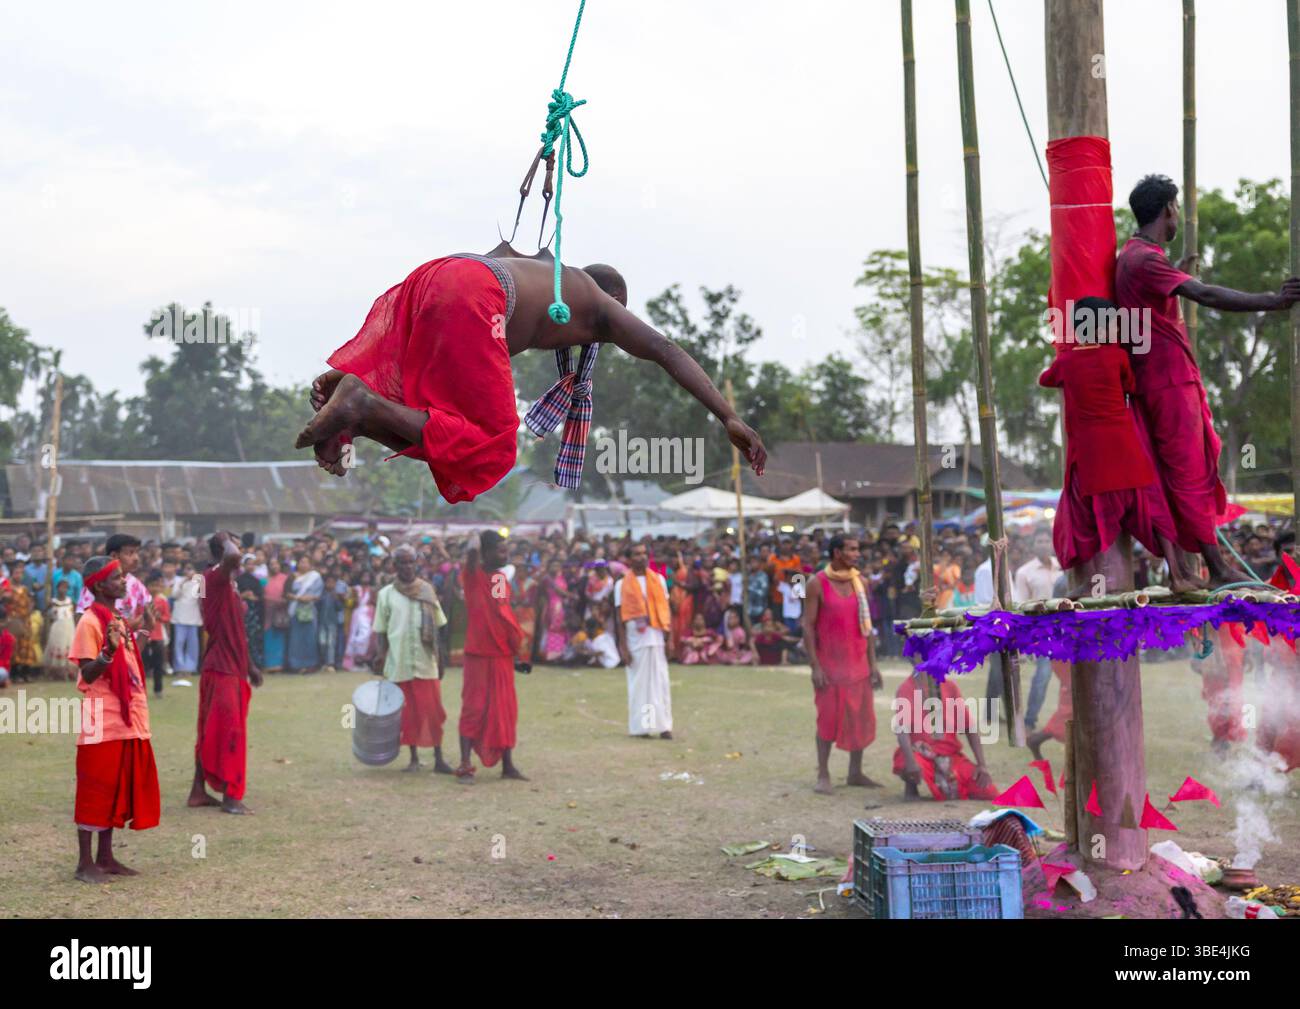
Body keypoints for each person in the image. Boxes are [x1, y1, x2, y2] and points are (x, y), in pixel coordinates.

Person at [299, 254, 767, 505]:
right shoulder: (599, 305)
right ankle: (361, 404)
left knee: (441, 421)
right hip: (478, 293)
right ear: (616, 298)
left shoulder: (546, 269)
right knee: (495, 445)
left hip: (436, 274)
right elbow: (665, 350)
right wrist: (728, 415)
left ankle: (355, 417)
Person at [1115, 174, 1300, 585]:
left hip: (1161, 381)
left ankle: (1187, 568)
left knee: (1184, 472)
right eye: (1176, 208)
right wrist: (1274, 301)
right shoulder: (1144, 259)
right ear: (1168, 211)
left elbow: (1155, 305)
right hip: (1167, 381)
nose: (1177, 216)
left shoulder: (1132, 256)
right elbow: (1208, 295)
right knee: (1190, 473)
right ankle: (1215, 569)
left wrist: (1174, 279)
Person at [1040, 296, 1196, 594]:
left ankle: (1087, 582)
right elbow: (1130, 386)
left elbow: (1046, 379)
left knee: (1081, 516)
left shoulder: (1066, 362)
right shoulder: (1118, 357)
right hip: (1125, 445)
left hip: (1091, 453)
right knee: (1154, 509)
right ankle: (1178, 573)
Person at [69, 556, 161, 882]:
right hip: (101, 717)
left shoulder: (116, 617)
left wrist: (145, 627)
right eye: (118, 578)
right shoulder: (90, 622)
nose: (124, 582)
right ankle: (84, 864)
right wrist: (106, 653)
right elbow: (88, 672)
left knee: (116, 787)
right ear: (99, 585)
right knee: (96, 787)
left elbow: (130, 656)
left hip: (127, 716)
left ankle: (105, 858)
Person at [189, 532, 263, 815]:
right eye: (238, 546)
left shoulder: (222, 581)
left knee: (209, 729)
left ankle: (198, 791)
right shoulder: (215, 575)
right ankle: (231, 797)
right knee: (230, 731)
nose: (242, 552)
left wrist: (250, 665)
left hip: (226, 664)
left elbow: (231, 626)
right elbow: (232, 557)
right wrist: (223, 539)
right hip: (222, 668)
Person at [803, 535, 881, 795]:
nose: (857, 553)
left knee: (860, 718)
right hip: (829, 666)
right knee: (827, 719)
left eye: (857, 548)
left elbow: (867, 627)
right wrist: (815, 666)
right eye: (852, 549)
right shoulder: (816, 583)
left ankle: (855, 772)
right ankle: (823, 773)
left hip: (858, 664)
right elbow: (807, 626)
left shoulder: (862, 583)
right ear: (837, 552)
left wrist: (873, 664)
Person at [372, 544, 453, 773]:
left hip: (426, 662)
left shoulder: (427, 590)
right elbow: (381, 629)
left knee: (433, 712)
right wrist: (380, 653)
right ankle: (414, 759)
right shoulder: (386, 594)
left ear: (416, 564)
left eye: (411, 562)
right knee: (407, 714)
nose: (407, 567)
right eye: (402, 562)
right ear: (394, 566)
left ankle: (439, 758)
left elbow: (438, 625)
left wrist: (442, 656)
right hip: (399, 662)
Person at [457, 530, 528, 781]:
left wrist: (516, 648)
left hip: (501, 655)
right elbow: (473, 551)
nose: (505, 554)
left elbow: (503, 613)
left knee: (504, 710)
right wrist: (476, 534)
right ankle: (465, 764)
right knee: (474, 708)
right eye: (500, 549)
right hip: (478, 655)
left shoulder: (499, 580)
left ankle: (507, 765)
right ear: (485, 554)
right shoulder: (472, 576)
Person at [893, 665, 998, 801]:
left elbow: (969, 728)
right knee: (906, 759)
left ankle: (954, 786)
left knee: (989, 791)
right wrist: (911, 763)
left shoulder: (949, 686)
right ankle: (911, 788)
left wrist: (982, 765)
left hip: (951, 757)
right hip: (921, 755)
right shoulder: (906, 689)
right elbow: (902, 732)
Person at [614, 542, 673, 739]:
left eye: (644, 553)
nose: (641, 557)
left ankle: (664, 727)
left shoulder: (659, 580)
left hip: (656, 638)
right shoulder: (621, 584)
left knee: (660, 683)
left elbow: (666, 610)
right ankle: (644, 727)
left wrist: (670, 639)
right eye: (636, 554)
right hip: (634, 640)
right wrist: (623, 647)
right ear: (629, 559)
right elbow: (618, 618)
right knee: (640, 686)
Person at [1013, 530, 1062, 731]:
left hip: (1068, 629)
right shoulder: (1025, 572)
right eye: (1039, 540)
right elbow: (1021, 606)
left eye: (1046, 540)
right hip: (1043, 631)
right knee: (1043, 675)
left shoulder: (1064, 567)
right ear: (1033, 545)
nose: (1043, 544)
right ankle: (1030, 720)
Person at [286, 555, 323, 672]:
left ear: (310, 564)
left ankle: (310, 664)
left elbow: (316, 595)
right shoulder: (293, 577)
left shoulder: (315, 577)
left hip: (310, 611)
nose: (303, 564)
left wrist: (306, 597)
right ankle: (296, 665)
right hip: (295, 610)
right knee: (296, 638)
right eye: (301, 562)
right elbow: (286, 593)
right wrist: (298, 598)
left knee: (309, 638)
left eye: (306, 562)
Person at [171, 563, 203, 675]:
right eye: (187, 569)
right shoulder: (178, 580)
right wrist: (182, 584)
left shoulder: (200, 581)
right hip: (179, 616)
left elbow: (202, 598)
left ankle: (190, 668)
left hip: (193, 617)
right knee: (179, 643)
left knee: (193, 644)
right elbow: (174, 596)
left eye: (191, 569)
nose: (188, 572)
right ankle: (179, 668)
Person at [142, 573, 170, 695]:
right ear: (147, 586)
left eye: (157, 586)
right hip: (144, 635)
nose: (155, 588)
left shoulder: (162, 601)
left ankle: (158, 689)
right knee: (142, 664)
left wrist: (159, 617)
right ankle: (140, 690)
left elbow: (167, 617)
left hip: (157, 636)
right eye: (152, 585)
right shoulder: (142, 600)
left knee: (158, 664)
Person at [44, 579, 78, 681]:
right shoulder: (53, 602)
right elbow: (45, 612)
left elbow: (76, 613)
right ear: (57, 588)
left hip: (69, 626)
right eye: (61, 587)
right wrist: (51, 617)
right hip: (57, 627)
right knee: (57, 646)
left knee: (68, 647)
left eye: (65, 587)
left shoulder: (70, 601)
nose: (63, 590)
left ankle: (69, 672)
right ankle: (56, 673)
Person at [261, 558, 288, 671]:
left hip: (281, 612)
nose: (275, 566)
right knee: (268, 637)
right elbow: (261, 595)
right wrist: (270, 599)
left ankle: (279, 664)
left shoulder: (285, 578)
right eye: (272, 564)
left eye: (276, 564)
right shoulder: (263, 580)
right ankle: (269, 665)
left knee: (280, 638)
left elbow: (288, 593)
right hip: (267, 613)